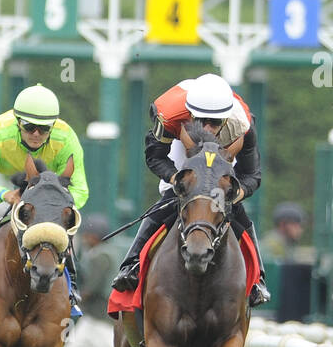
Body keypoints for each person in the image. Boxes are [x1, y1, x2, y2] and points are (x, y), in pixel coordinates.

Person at [110, 72, 269, 307]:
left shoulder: (243, 126)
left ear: (226, 119)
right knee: (167, 202)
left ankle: (258, 281)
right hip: (181, 147)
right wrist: (177, 180)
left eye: (214, 123)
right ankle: (130, 265)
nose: (207, 127)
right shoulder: (170, 115)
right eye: (200, 120)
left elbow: (252, 175)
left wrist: (234, 195)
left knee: (238, 213)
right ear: (190, 113)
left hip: (222, 156)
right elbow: (155, 157)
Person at [0, 83, 88, 312]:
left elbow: (81, 190)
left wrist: (55, 203)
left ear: (52, 127)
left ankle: (72, 288)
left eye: (43, 129)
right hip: (7, 181)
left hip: (49, 185)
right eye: (29, 126)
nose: (36, 134)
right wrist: (3, 195)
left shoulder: (66, 138)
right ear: (17, 122)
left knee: (64, 227)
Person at [54, 215, 123, 347]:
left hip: (99, 315)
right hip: (94, 317)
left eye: (88, 234)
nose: (85, 237)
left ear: (96, 236)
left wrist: (70, 299)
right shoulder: (109, 252)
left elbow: (91, 288)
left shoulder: (101, 255)